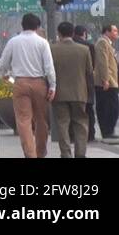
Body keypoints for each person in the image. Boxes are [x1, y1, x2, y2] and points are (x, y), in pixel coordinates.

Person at [0, 14, 57, 159]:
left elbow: (3, 64)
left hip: (20, 83)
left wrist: (2, 76)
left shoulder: (13, 42)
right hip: (39, 83)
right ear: (37, 27)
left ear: (22, 26)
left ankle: (30, 154)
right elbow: (49, 67)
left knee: (23, 121)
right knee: (41, 120)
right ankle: (41, 152)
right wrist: (52, 86)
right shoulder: (43, 43)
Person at [50, 22, 94, 159]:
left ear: (59, 33)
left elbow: (49, 72)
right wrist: (90, 94)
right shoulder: (84, 50)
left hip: (59, 94)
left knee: (62, 124)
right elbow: (89, 73)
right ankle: (81, 153)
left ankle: (65, 153)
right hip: (80, 93)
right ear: (73, 33)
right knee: (81, 123)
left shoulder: (52, 49)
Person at [94, 24, 119, 140]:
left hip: (112, 81)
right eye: (115, 31)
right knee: (108, 107)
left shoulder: (108, 44)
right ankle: (107, 131)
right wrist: (105, 79)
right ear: (107, 32)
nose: (117, 33)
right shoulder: (102, 43)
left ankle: (109, 130)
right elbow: (103, 62)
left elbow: (113, 65)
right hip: (106, 82)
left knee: (112, 108)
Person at [74, 25, 98, 143]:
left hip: (72, 84)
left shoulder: (64, 46)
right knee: (88, 110)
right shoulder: (89, 46)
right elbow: (92, 66)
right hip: (87, 83)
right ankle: (90, 135)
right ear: (84, 33)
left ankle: (74, 136)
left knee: (73, 112)